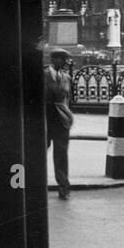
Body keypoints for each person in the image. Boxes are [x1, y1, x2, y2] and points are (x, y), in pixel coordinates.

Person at [45, 49, 74, 199]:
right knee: (38, 155)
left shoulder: (67, 77)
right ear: (54, 59)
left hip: (61, 121)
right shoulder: (42, 75)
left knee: (61, 156)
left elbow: (67, 100)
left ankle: (64, 189)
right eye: (62, 59)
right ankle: (36, 186)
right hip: (45, 120)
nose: (64, 62)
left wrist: (67, 115)